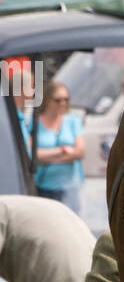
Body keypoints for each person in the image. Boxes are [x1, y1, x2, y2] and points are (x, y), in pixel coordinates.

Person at [23, 78, 86, 213]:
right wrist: (62, 152)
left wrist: (47, 158)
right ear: (46, 100)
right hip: (43, 186)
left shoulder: (73, 121)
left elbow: (80, 152)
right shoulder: (33, 123)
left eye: (66, 99)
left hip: (69, 187)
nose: (62, 103)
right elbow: (32, 155)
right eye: (57, 100)